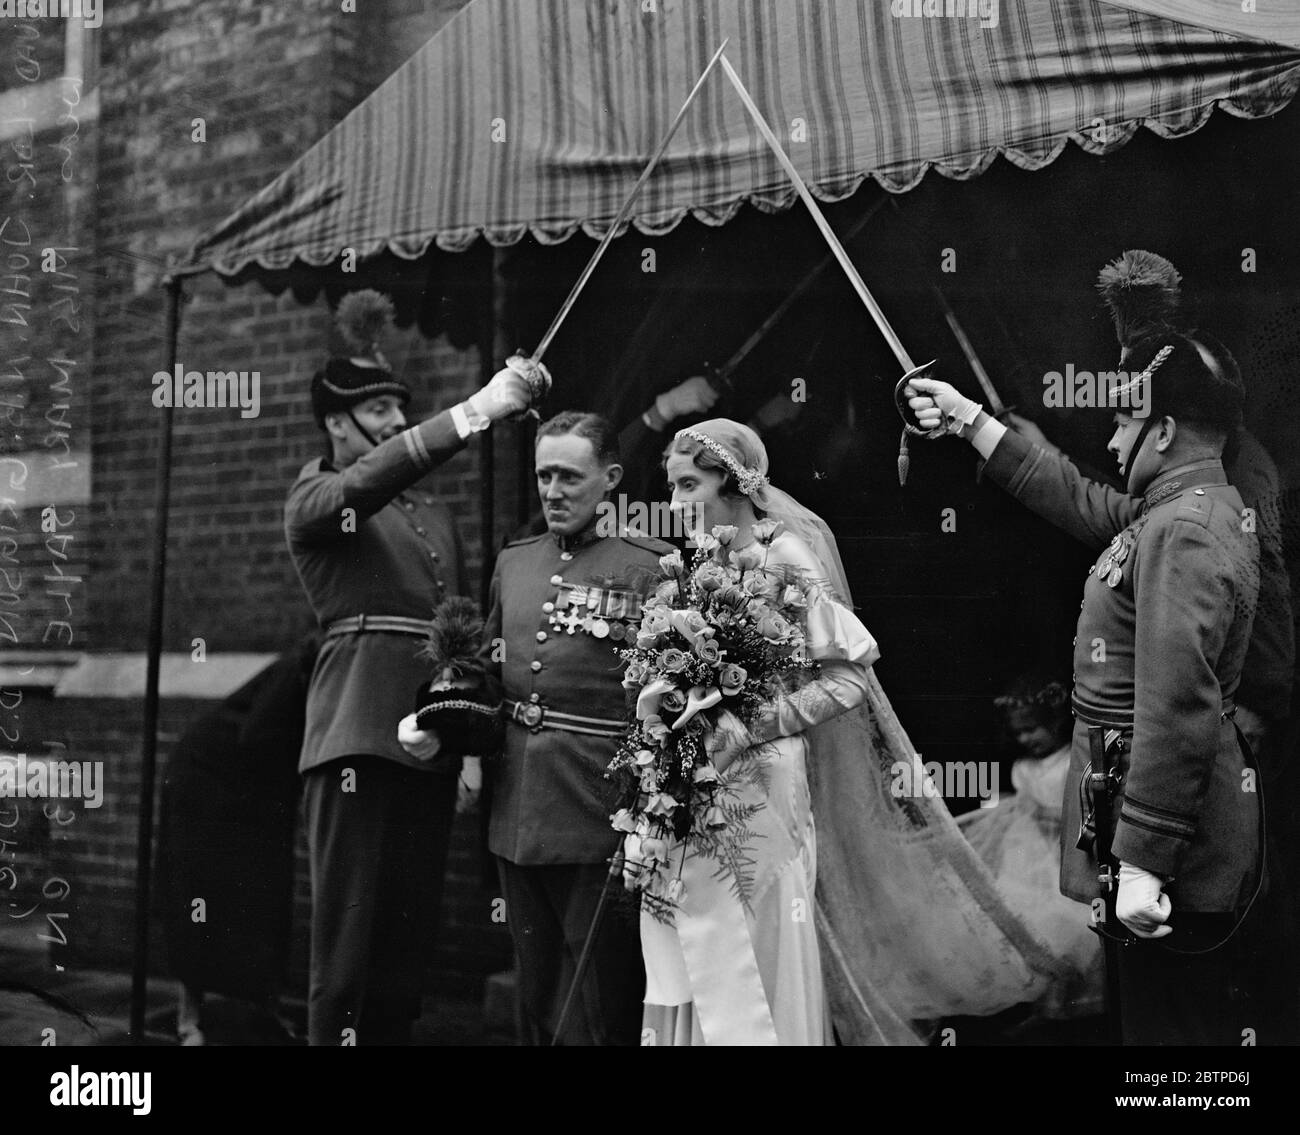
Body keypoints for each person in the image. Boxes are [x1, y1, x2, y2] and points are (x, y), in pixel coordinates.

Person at [624, 419, 1072, 1046]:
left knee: (759, 938)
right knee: (693, 932)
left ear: (732, 483)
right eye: (670, 489)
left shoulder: (785, 556)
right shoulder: (699, 567)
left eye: (687, 486)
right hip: (698, 778)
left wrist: (752, 725)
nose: (674, 505)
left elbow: (847, 681)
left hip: (764, 780)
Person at [908, 330, 1262, 1045]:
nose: (1112, 432)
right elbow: (1075, 497)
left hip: (1169, 848)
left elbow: (1176, 707)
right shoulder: (1174, 508)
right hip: (1144, 827)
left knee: (1177, 1049)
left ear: (1162, 429)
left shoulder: (1184, 529)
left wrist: (1142, 859)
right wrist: (972, 420)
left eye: (1125, 418)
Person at [284, 291, 536, 1046]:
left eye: (401, 408)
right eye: (378, 411)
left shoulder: (435, 516)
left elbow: (455, 636)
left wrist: (462, 751)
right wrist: (473, 411)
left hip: (427, 741)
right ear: (337, 423)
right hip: (356, 740)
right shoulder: (317, 496)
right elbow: (368, 482)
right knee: (348, 943)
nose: (395, 420)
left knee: (407, 940)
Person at [405, 411, 673, 1046]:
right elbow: (488, 674)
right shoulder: (516, 561)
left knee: (597, 995)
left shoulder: (652, 565)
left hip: (597, 806)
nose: (552, 491)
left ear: (609, 479)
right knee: (536, 991)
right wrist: (449, 729)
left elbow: (666, 700)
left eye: (569, 477)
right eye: (543, 475)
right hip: (517, 805)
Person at [158, 634, 319, 1045]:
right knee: (201, 895)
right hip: (205, 780)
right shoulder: (303, 666)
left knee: (262, 897)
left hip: (247, 790)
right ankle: (189, 1019)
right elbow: (260, 736)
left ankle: (265, 1009)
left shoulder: (316, 664)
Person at [956, 672, 1103, 1022]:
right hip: (1028, 856)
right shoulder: (1022, 768)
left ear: (1054, 721)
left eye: (1032, 728)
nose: (1025, 738)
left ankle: (1066, 1009)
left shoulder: (1072, 760)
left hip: (1064, 855)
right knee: (1025, 922)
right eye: (1018, 731)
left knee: (1067, 925)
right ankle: (1032, 1005)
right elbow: (1015, 807)